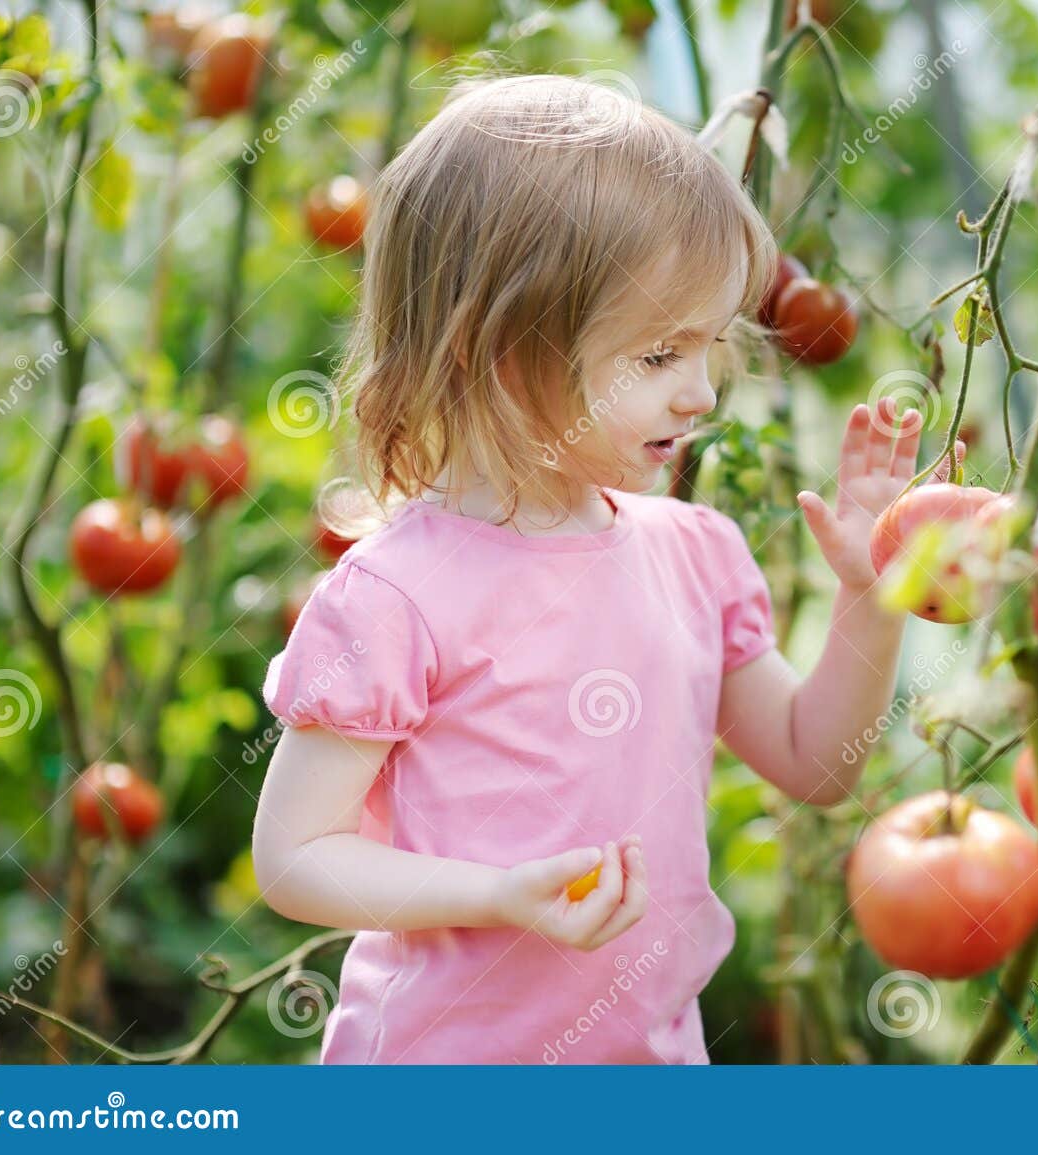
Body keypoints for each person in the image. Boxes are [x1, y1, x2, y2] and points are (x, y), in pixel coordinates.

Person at [252, 74, 930, 1064]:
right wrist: (492, 895)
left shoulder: (693, 557)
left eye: (711, 348)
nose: (701, 392)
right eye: (658, 357)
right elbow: (296, 858)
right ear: (504, 354)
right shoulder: (397, 595)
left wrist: (872, 598)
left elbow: (816, 763)